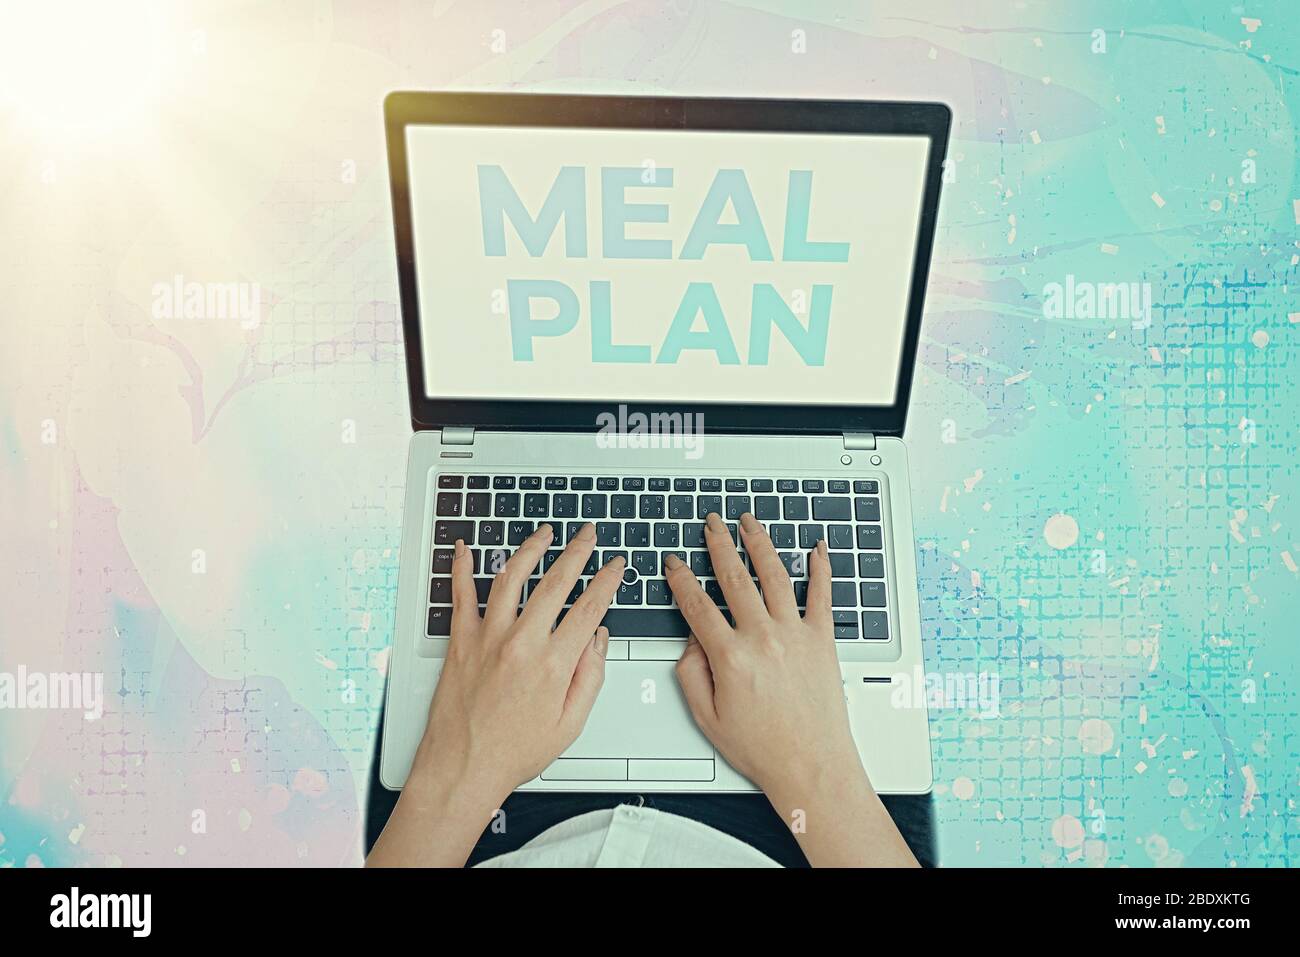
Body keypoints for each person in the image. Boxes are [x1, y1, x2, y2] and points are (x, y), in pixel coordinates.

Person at [367, 512, 927, 867]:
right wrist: (816, 771)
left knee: (465, 637)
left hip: (468, 826)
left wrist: (457, 777)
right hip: (812, 829)